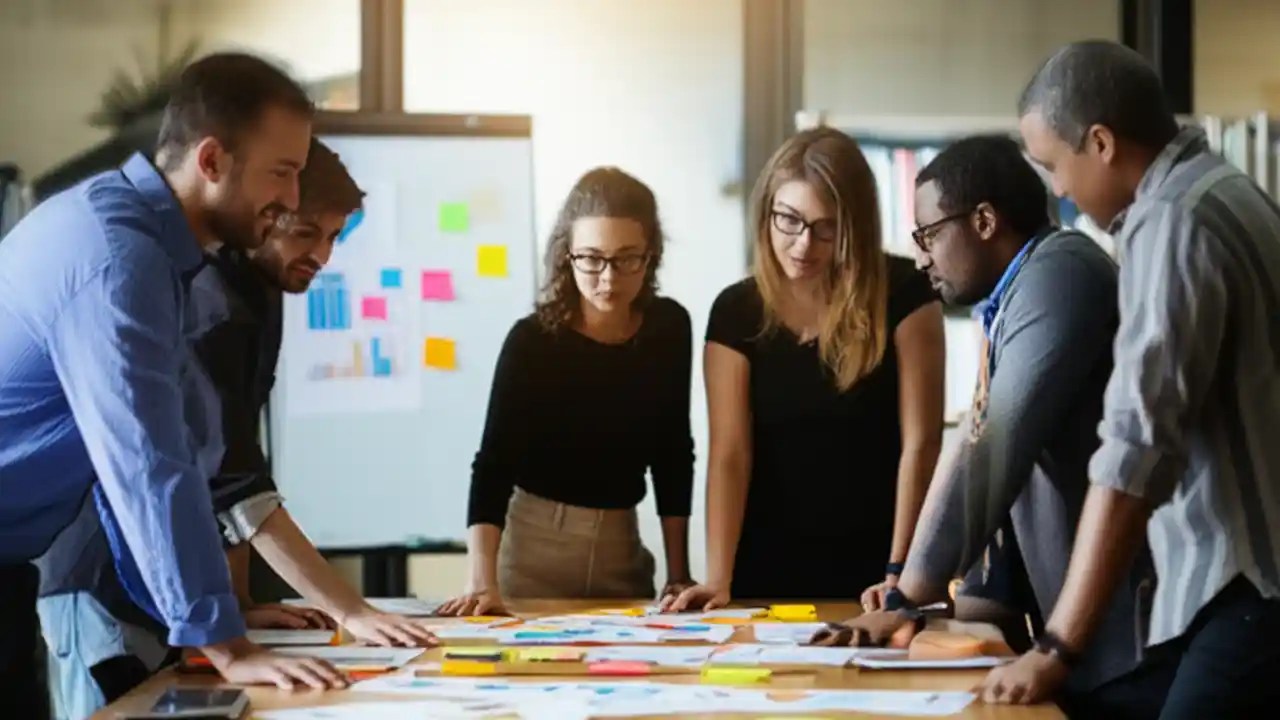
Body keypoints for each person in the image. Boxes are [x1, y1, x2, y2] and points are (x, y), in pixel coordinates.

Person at [34, 139, 437, 717]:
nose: (322, 255)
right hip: (102, 582)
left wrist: (238, 602)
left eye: (332, 238)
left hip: (168, 587)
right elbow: (233, 482)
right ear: (267, 219)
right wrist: (353, 612)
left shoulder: (260, 294)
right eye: (306, 234)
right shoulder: (213, 301)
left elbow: (233, 456)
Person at [0, 51, 348, 700]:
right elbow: (145, 463)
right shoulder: (118, 258)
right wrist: (222, 641)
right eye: (283, 172)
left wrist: (217, 617)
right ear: (211, 161)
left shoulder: (144, 242)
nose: (293, 199)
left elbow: (141, 464)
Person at [976, 40, 1280, 717]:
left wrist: (1056, 646)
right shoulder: (1227, 190)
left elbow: (1134, 451)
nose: (1056, 190)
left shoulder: (1168, 219)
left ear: (1102, 143)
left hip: (1249, 588)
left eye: (1053, 165)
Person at [811, 135, 1153, 708]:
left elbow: (996, 446)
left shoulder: (1059, 274)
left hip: (1135, 633)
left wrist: (908, 597)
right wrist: (928, 600)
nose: (921, 256)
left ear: (985, 221)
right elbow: (982, 451)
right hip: (1094, 636)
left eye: (929, 235)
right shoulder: (1015, 295)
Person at [664, 128, 944, 611]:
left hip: (875, 580)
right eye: (788, 220)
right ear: (767, 212)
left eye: (826, 227)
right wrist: (718, 577)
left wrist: (901, 572)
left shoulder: (904, 294)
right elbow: (730, 454)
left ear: (855, 227)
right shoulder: (736, 311)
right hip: (762, 577)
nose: (803, 244)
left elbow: (922, 444)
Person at [437, 167, 696, 617]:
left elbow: (673, 453)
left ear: (651, 255)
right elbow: (492, 464)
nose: (608, 278)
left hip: (622, 546)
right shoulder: (533, 341)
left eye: (626, 258)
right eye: (591, 259)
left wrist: (679, 574)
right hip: (535, 549)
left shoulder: (669, 328)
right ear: (567, 255)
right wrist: (481, 581)